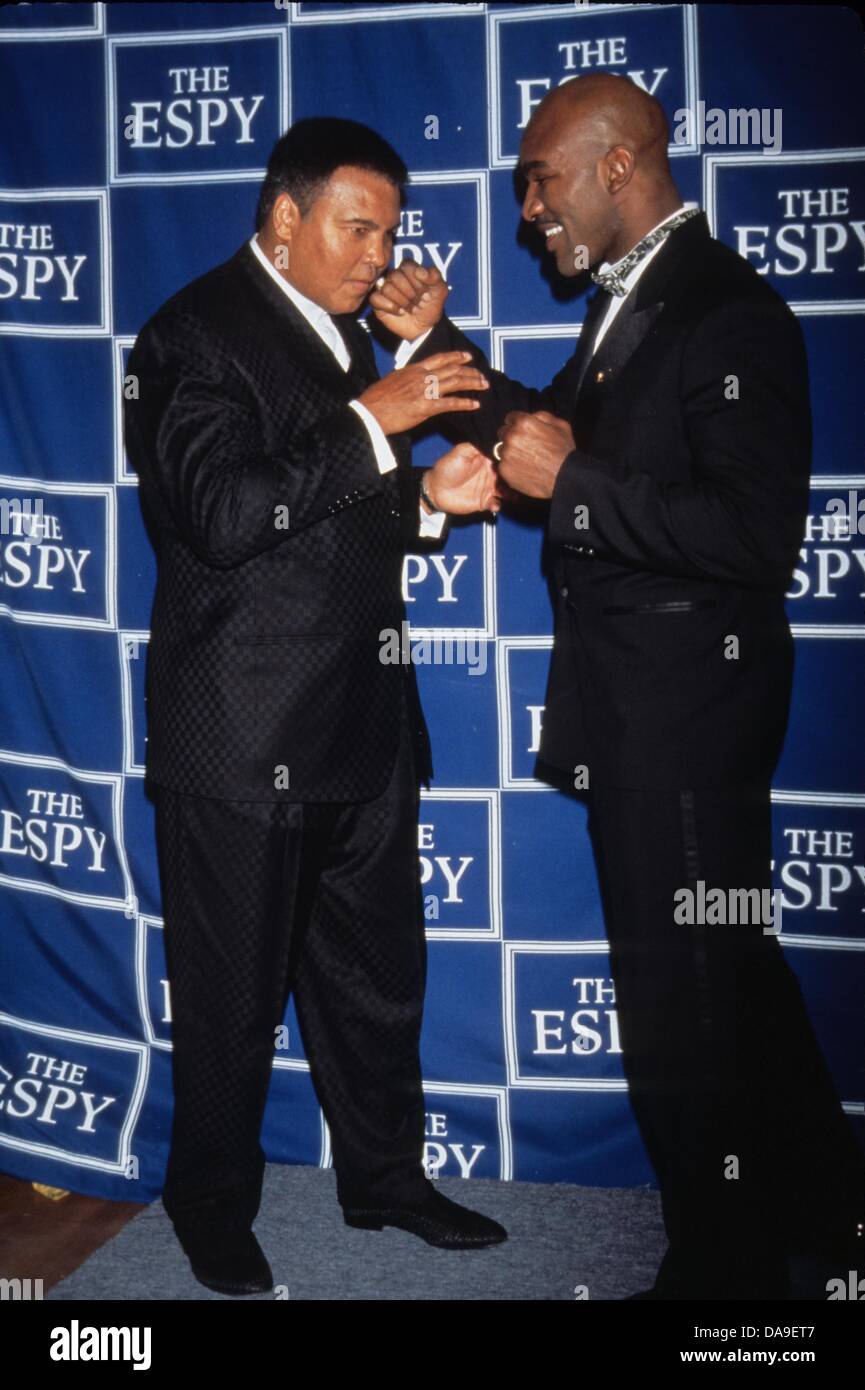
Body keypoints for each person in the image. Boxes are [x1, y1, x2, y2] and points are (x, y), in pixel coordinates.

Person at [372, 73, 864, 1300]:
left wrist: (577, 483)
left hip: (685, 722)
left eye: (540, 178)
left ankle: (726, 1281)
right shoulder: (638, 299)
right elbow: (545, 425)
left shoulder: (726, 310)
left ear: (617, 164)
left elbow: (755, 535)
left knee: (685, 1013)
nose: (527, 206)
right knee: (730, 974)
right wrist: (434, 353)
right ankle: (833, 1212)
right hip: (649, 712)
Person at [124, 116, 506, 1298]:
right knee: (233, 1000)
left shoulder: (345, 339)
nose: (376, 253)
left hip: (365, 725)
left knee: (376, 980)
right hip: (241, 735)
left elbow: (341, 516)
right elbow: (226, 515)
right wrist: (375, 421)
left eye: (389, 228)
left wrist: (429, 499)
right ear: (284, 217)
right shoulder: (190, 333)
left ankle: (385, 1180)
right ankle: (211, 1208)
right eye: (357, 226)